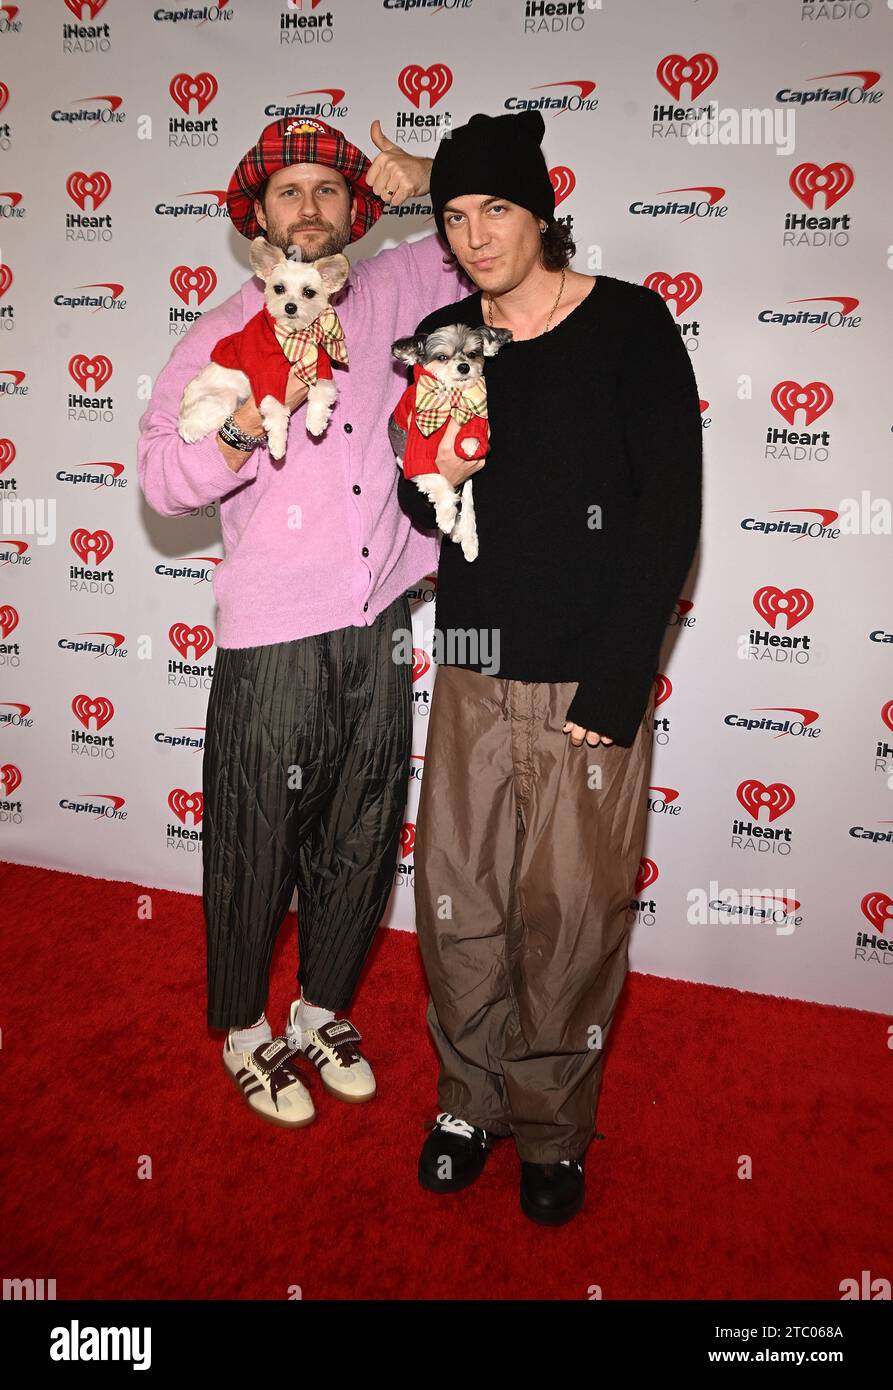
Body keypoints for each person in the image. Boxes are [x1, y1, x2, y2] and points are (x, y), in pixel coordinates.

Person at [395, 110, 703, 1223]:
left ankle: (552, 1128)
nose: (474, 236)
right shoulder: (442, 334)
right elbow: (422, 502)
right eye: (454, 217)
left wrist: (619, 684)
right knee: (458, 905)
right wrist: (426, 449)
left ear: (540, 216)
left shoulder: (627, 325)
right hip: (476, 667)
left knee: (567, 915)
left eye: (496, 211)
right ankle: (465, 1102)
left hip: (588, 684)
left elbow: (669, 513)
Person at [138, 116, 471, 1128]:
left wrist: (431, 178)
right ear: (258, 215)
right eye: (290, 192)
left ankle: (320, 1008)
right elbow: (159, 476)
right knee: (251, 840)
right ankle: (244, 1030)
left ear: (355, 210)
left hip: (376, 622)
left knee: (365, 832)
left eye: (330, 189)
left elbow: (512, 238)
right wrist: (241, 426)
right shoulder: (225, 327)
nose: (311, 207)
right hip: (272, 634)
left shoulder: (402, 286)